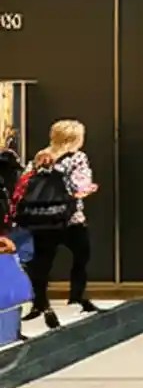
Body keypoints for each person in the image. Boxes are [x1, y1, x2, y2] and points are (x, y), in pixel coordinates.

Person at [20, 120, 99, 330]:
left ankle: (40, 304)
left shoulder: (40, 157)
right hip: (69, 218)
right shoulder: (77, 158)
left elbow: (25, 184)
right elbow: (78, 186)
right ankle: (76, 298)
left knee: (42, 262)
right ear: (74, 138)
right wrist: (89, 188)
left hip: (41, 218)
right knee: (82, 256)